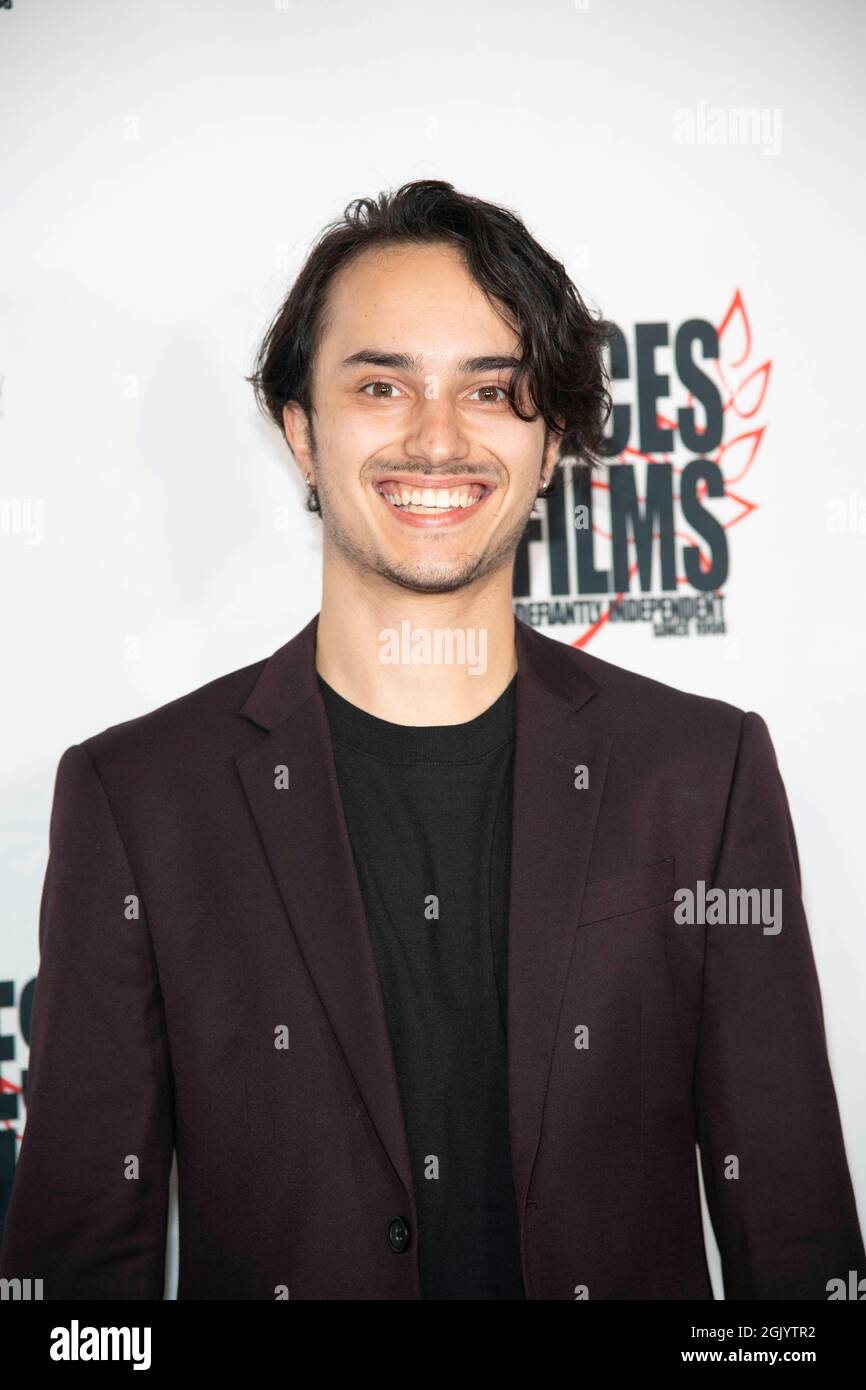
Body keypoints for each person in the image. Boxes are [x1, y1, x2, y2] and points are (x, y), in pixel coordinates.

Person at [2, 180, 862, 1300]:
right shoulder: (137, 797)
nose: (435, 438)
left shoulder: (702, 775)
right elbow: (77, 1287)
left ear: (550, 440)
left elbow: (791, 1247)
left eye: (492, 390)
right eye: (379, 384)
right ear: (300, 434)